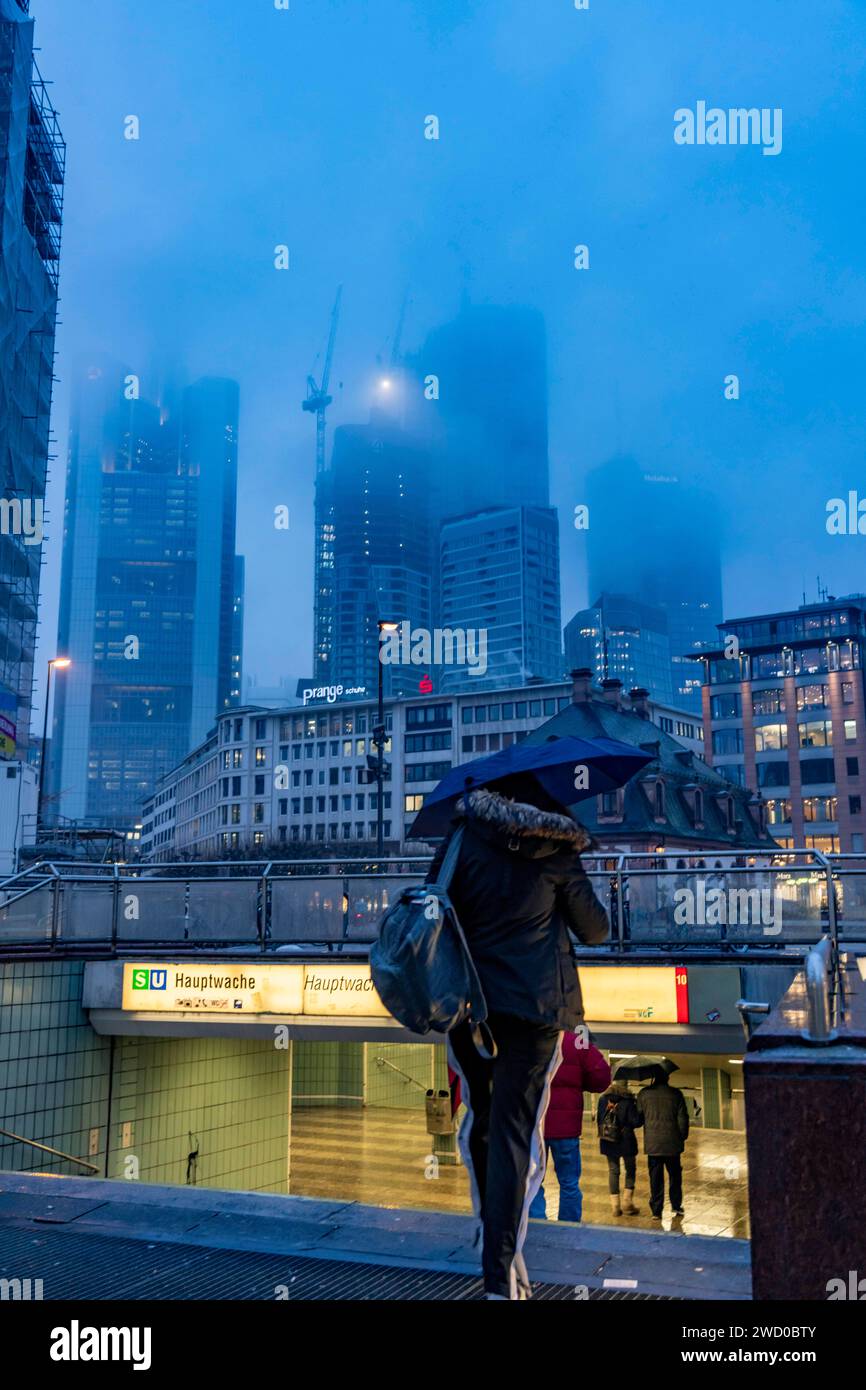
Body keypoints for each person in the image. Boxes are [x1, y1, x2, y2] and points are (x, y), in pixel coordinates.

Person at [428, 776, 610, 1300]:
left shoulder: (463, 835)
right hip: (533, 1012)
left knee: (483, 1127)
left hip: (467, 1007)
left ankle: (494, 1239)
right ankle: (499, 1275)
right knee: (515, 1138)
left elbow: (435, 903)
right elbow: (594, 930)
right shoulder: (556, 849)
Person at [528, 1035, 611, 1223]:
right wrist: (580, 1083)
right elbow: (601, 1077)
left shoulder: (528, 1035)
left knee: (533, 1181)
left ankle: (537, 1222)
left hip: (534, 1125)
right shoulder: (577, 1040)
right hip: (566, 1127)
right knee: (569, 1183)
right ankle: (568, 1226)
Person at [636, 1067, 690, 1220]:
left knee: (655, 1178)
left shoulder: (643, 1094)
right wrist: (682, 1137)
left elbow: (638, 1119)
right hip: (672, 1145)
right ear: (667, 1078)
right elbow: (682, 1119)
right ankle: (676, 1205)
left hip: (653, 1145)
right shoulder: (676, 1094)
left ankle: (656, 1211)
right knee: (675, 1176)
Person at [597, 1077, 643, 1216]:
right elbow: (635, 1122)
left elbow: (599, 1120)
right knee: (630, 1169)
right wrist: (640, 1113)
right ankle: (627, 1202)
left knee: (613, 1170)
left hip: (608, 1139)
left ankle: (615, 1206)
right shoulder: (628, 1100)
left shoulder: (603, 1099)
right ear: (626, 1085)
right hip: (626, 1140)